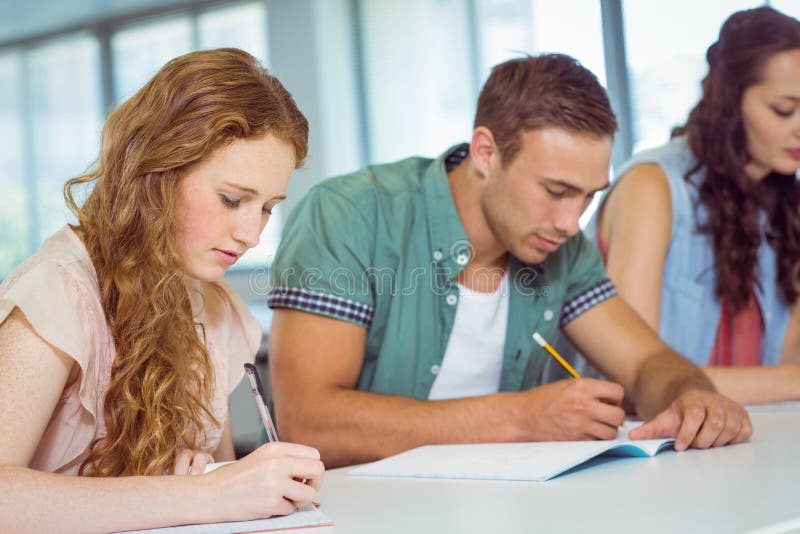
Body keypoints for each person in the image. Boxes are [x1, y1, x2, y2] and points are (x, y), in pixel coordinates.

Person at [266, 53, 752, 469]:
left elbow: (647, 361)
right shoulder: (349, 214)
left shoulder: (560, 246)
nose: (570, 221)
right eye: (557, 191)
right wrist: (521, 418)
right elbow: (309, 421)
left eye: (586, 197)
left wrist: (692, 397)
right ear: (485, 152)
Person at [0, 48, 324, 532]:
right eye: (232, 199)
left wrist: (214, 483)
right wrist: (199, 492)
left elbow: (217, 496)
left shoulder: (218, 313)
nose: (251, 234)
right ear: (158, 175)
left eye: (267, 207)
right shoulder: (57, 293)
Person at [589, 7, 800, 404]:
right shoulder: (653, 187)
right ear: (730, 102)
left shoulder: (785, 204)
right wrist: (791, 382)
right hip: (648, 449)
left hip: (741, 441)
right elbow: (633, 379)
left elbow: (785, 362)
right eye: (783, 110)